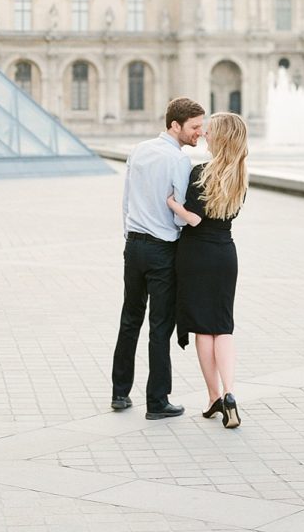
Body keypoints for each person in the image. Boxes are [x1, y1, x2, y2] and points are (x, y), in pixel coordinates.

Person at [111, 97, 205, 420]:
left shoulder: (138, 150)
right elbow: (178, 213)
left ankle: (120, 393)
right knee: (159, 326)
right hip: (162, 249)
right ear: (175, 125)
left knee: (129, 319)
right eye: (194, 127)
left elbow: (126, 200)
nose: (199, 133)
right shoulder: (179, 162)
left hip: (134, 246)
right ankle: (157, 401)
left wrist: (130, 234)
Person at [167, 112, 248, 429]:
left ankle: (213, 395)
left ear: (221, 137)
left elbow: (195, 219)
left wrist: (173, 204)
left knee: (204, 328)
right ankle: (229, 394)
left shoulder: (201, 171)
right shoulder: (239, 174)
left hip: (196, 254)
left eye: (210, 131)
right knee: (223, 327)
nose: (204, 135)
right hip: (225, 255)